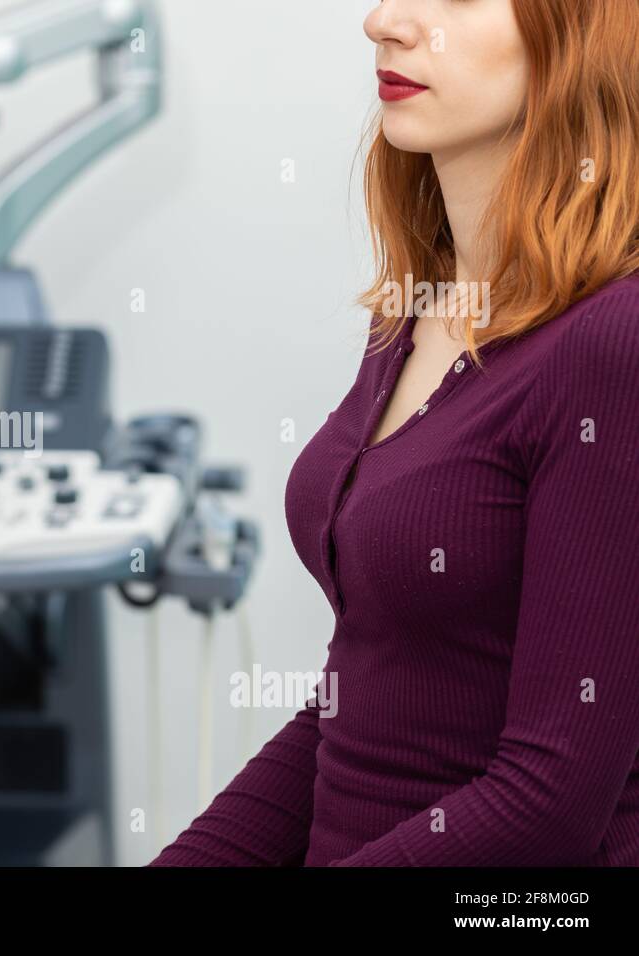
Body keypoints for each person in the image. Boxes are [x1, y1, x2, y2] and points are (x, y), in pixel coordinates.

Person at [155, 0, 639, 865]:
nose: (383, 21)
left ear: (583, 29)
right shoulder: (417, 317)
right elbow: (361, 704)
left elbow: (549, 802)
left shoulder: (613, 343)